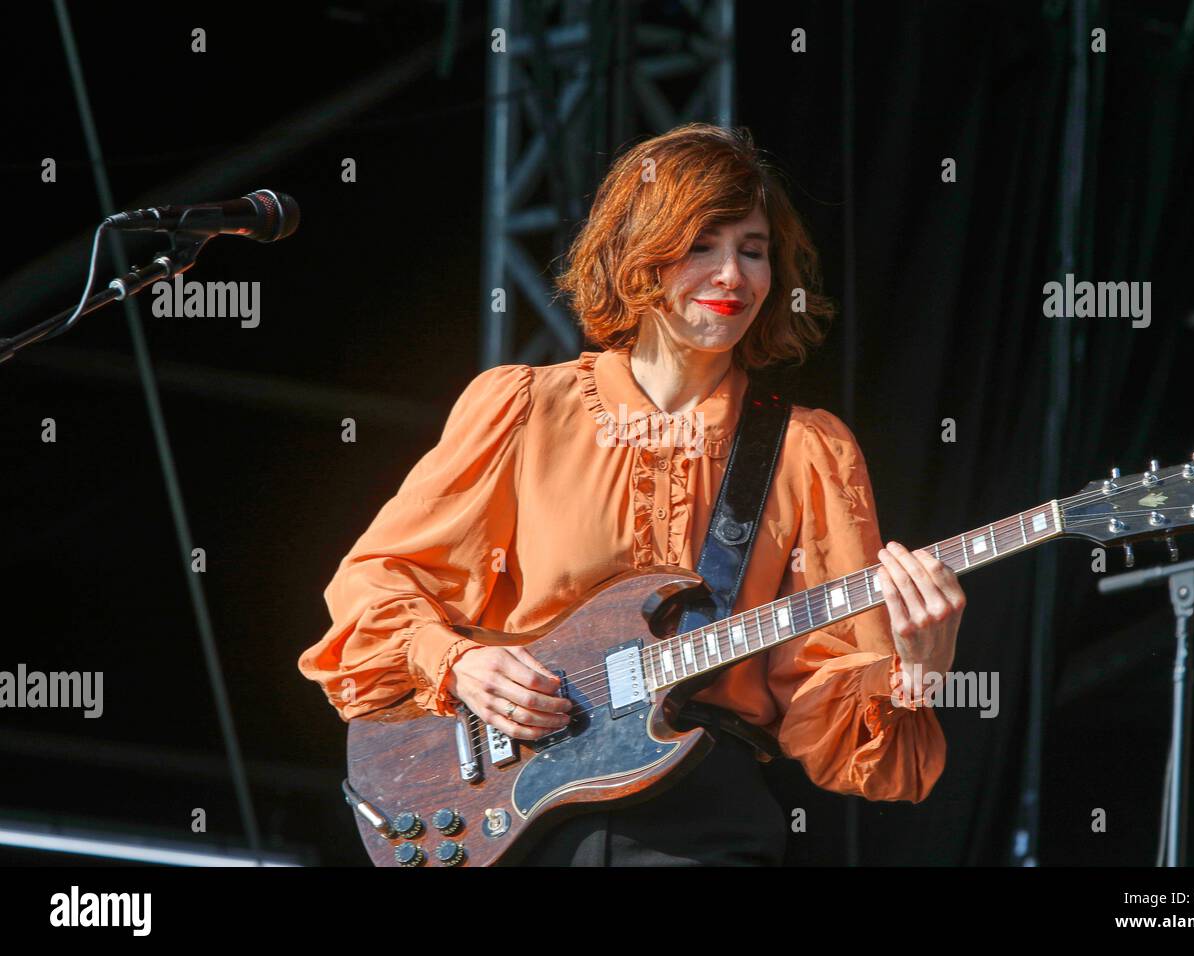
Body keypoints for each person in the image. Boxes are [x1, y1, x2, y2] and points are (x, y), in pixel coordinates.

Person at [299, 123, 965, 866]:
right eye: (702, 246)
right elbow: (374, 584)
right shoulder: (524, 408)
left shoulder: (808, 450)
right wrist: (457, 663)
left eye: (753, 251)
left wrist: (915, 673)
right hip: (518, 818)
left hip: (701, 824)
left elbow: (831, 711)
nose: (733, 278)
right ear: (637, 253)